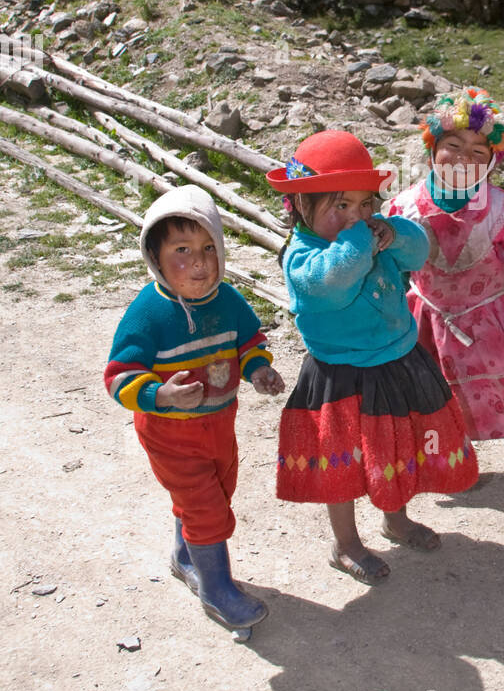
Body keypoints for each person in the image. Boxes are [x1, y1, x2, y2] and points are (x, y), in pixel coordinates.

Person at [267, 130, 478, 585]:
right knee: (339, 464)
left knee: (394, 450)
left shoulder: (373, 236)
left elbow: (421, 252)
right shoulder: (303, 258)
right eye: (340, 207)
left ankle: (395, 521)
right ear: (302, 206)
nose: (356, 218)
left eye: (365, 205)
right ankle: (345, 544)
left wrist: (394, 231)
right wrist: (363, 237)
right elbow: (335, 280)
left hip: (396, 362)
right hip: (339, 377)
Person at [104, 187, 285, 630]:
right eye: (182, 251)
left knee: (219, 491)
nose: (200, 262)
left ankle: (185, 555)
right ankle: (216, 588)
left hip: (220, 425)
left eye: (208, 248)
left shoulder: (228, 300)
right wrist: (160, 394)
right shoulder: (148, 314)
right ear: (155, 256)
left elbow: (248, 342)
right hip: (170, 433)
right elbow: (118, 376)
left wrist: (258, 368)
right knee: (206, 508)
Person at [387, 88, 504, 480]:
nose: (462, 158)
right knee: (438, 392)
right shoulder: (404, 209)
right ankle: (455, 459)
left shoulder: (502, 211)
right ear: (432, 150)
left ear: (491, 164)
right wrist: (387, 311)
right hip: (428, 321)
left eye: (478, 153)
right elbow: (393, 266)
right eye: (452, 145)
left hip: (492, 319)